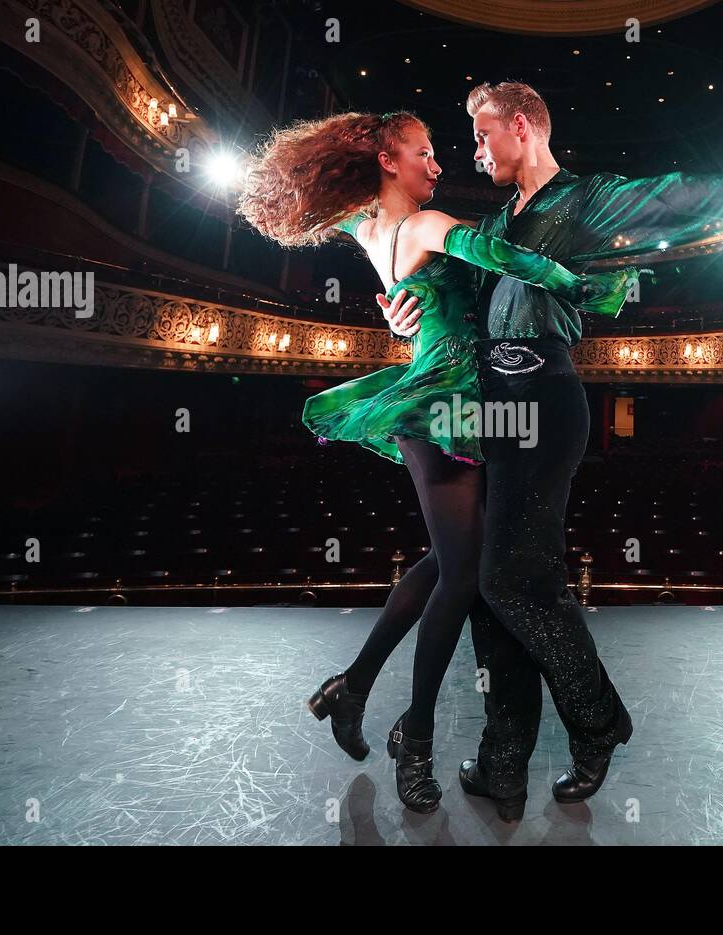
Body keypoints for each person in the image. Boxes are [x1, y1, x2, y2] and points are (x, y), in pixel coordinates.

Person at [380, 82, 723, 820]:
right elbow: (445, 303)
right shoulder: (492, 221)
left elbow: (670, 197)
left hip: (544, 398)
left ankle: (600, 722)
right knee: (487, 581)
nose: (473, 151)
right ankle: (503, 764)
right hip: (489, 408)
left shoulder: (586, 199)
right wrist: (401, 311)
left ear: (521, 126)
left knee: (513, 579)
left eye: (481, 134)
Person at [236, 110, 639, 815]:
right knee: (462, 572)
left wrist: (402, 309)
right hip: (449, 407)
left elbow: (435, 294)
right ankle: (413, 736)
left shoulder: (365, 229)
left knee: (461, 563)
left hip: (456, 405)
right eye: (425, 152)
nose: (439, 164)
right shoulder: (425, 225)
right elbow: (509, 262)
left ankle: (354, 687)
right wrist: (593, 288)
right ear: (387, 159)